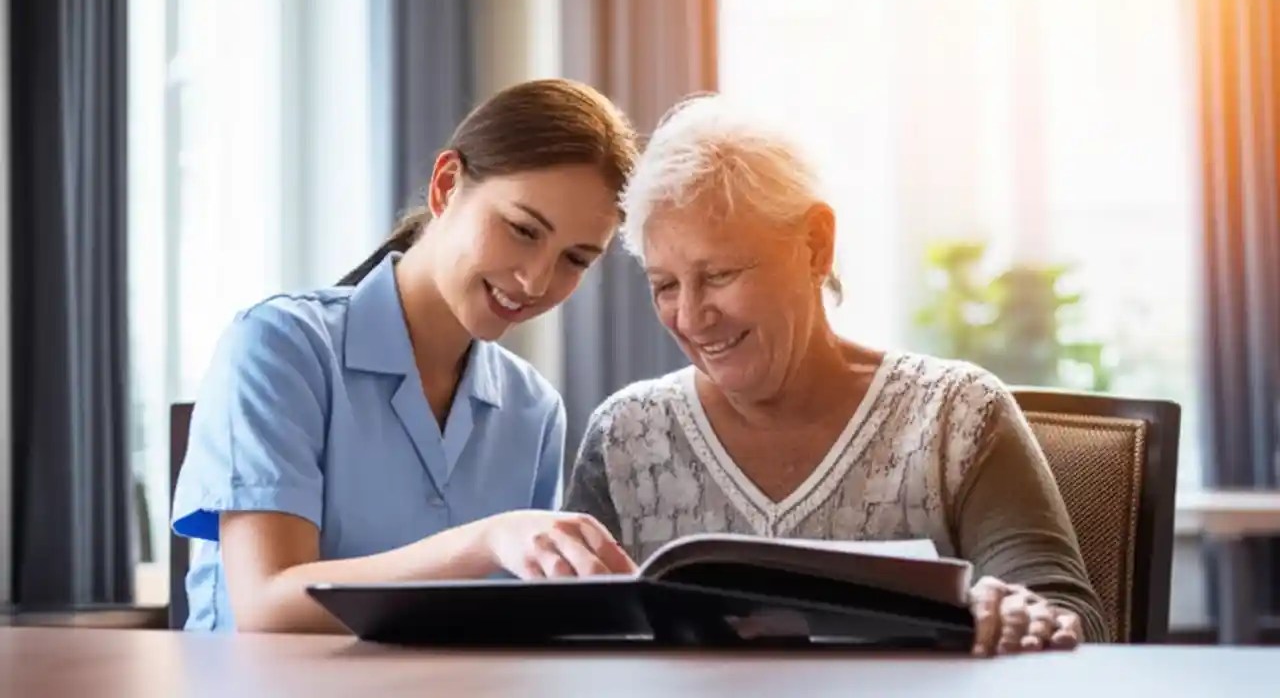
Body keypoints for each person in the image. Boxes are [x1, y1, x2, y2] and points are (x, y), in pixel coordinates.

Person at [563, 94, 1110, 655]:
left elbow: (1068, 617)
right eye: (665, 285)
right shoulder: (623, 436)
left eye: (720, 274)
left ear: (815, 246)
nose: (691, 316)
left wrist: (1024, 616)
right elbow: (559, 638)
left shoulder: (959, 415)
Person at [172, 79, 640, 632]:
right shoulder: (279, 346)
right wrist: (486, 540)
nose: (536, 280)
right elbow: (267, 607)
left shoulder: (533, 410)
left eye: (575, 260)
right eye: (522, 230)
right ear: (446, 186)